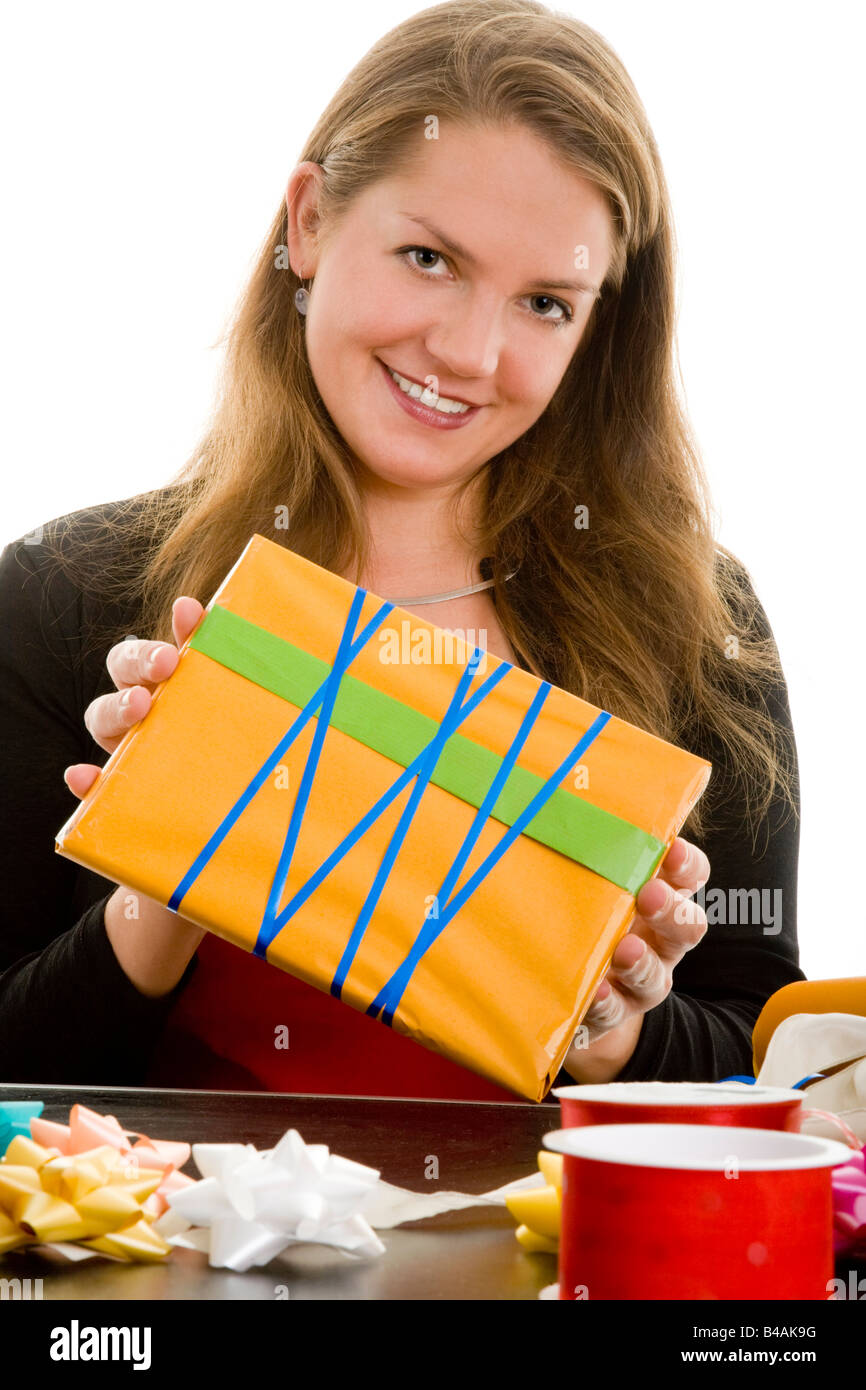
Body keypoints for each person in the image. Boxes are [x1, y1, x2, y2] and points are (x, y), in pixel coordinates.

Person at [0, 0, 802, 1101]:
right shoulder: (62, 593)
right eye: (428, 256)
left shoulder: (697, 618)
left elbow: (768, 1061)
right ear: (311, 220)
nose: (470, 353)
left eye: (545, 303)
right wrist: (170, 871)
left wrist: (607, 1027)